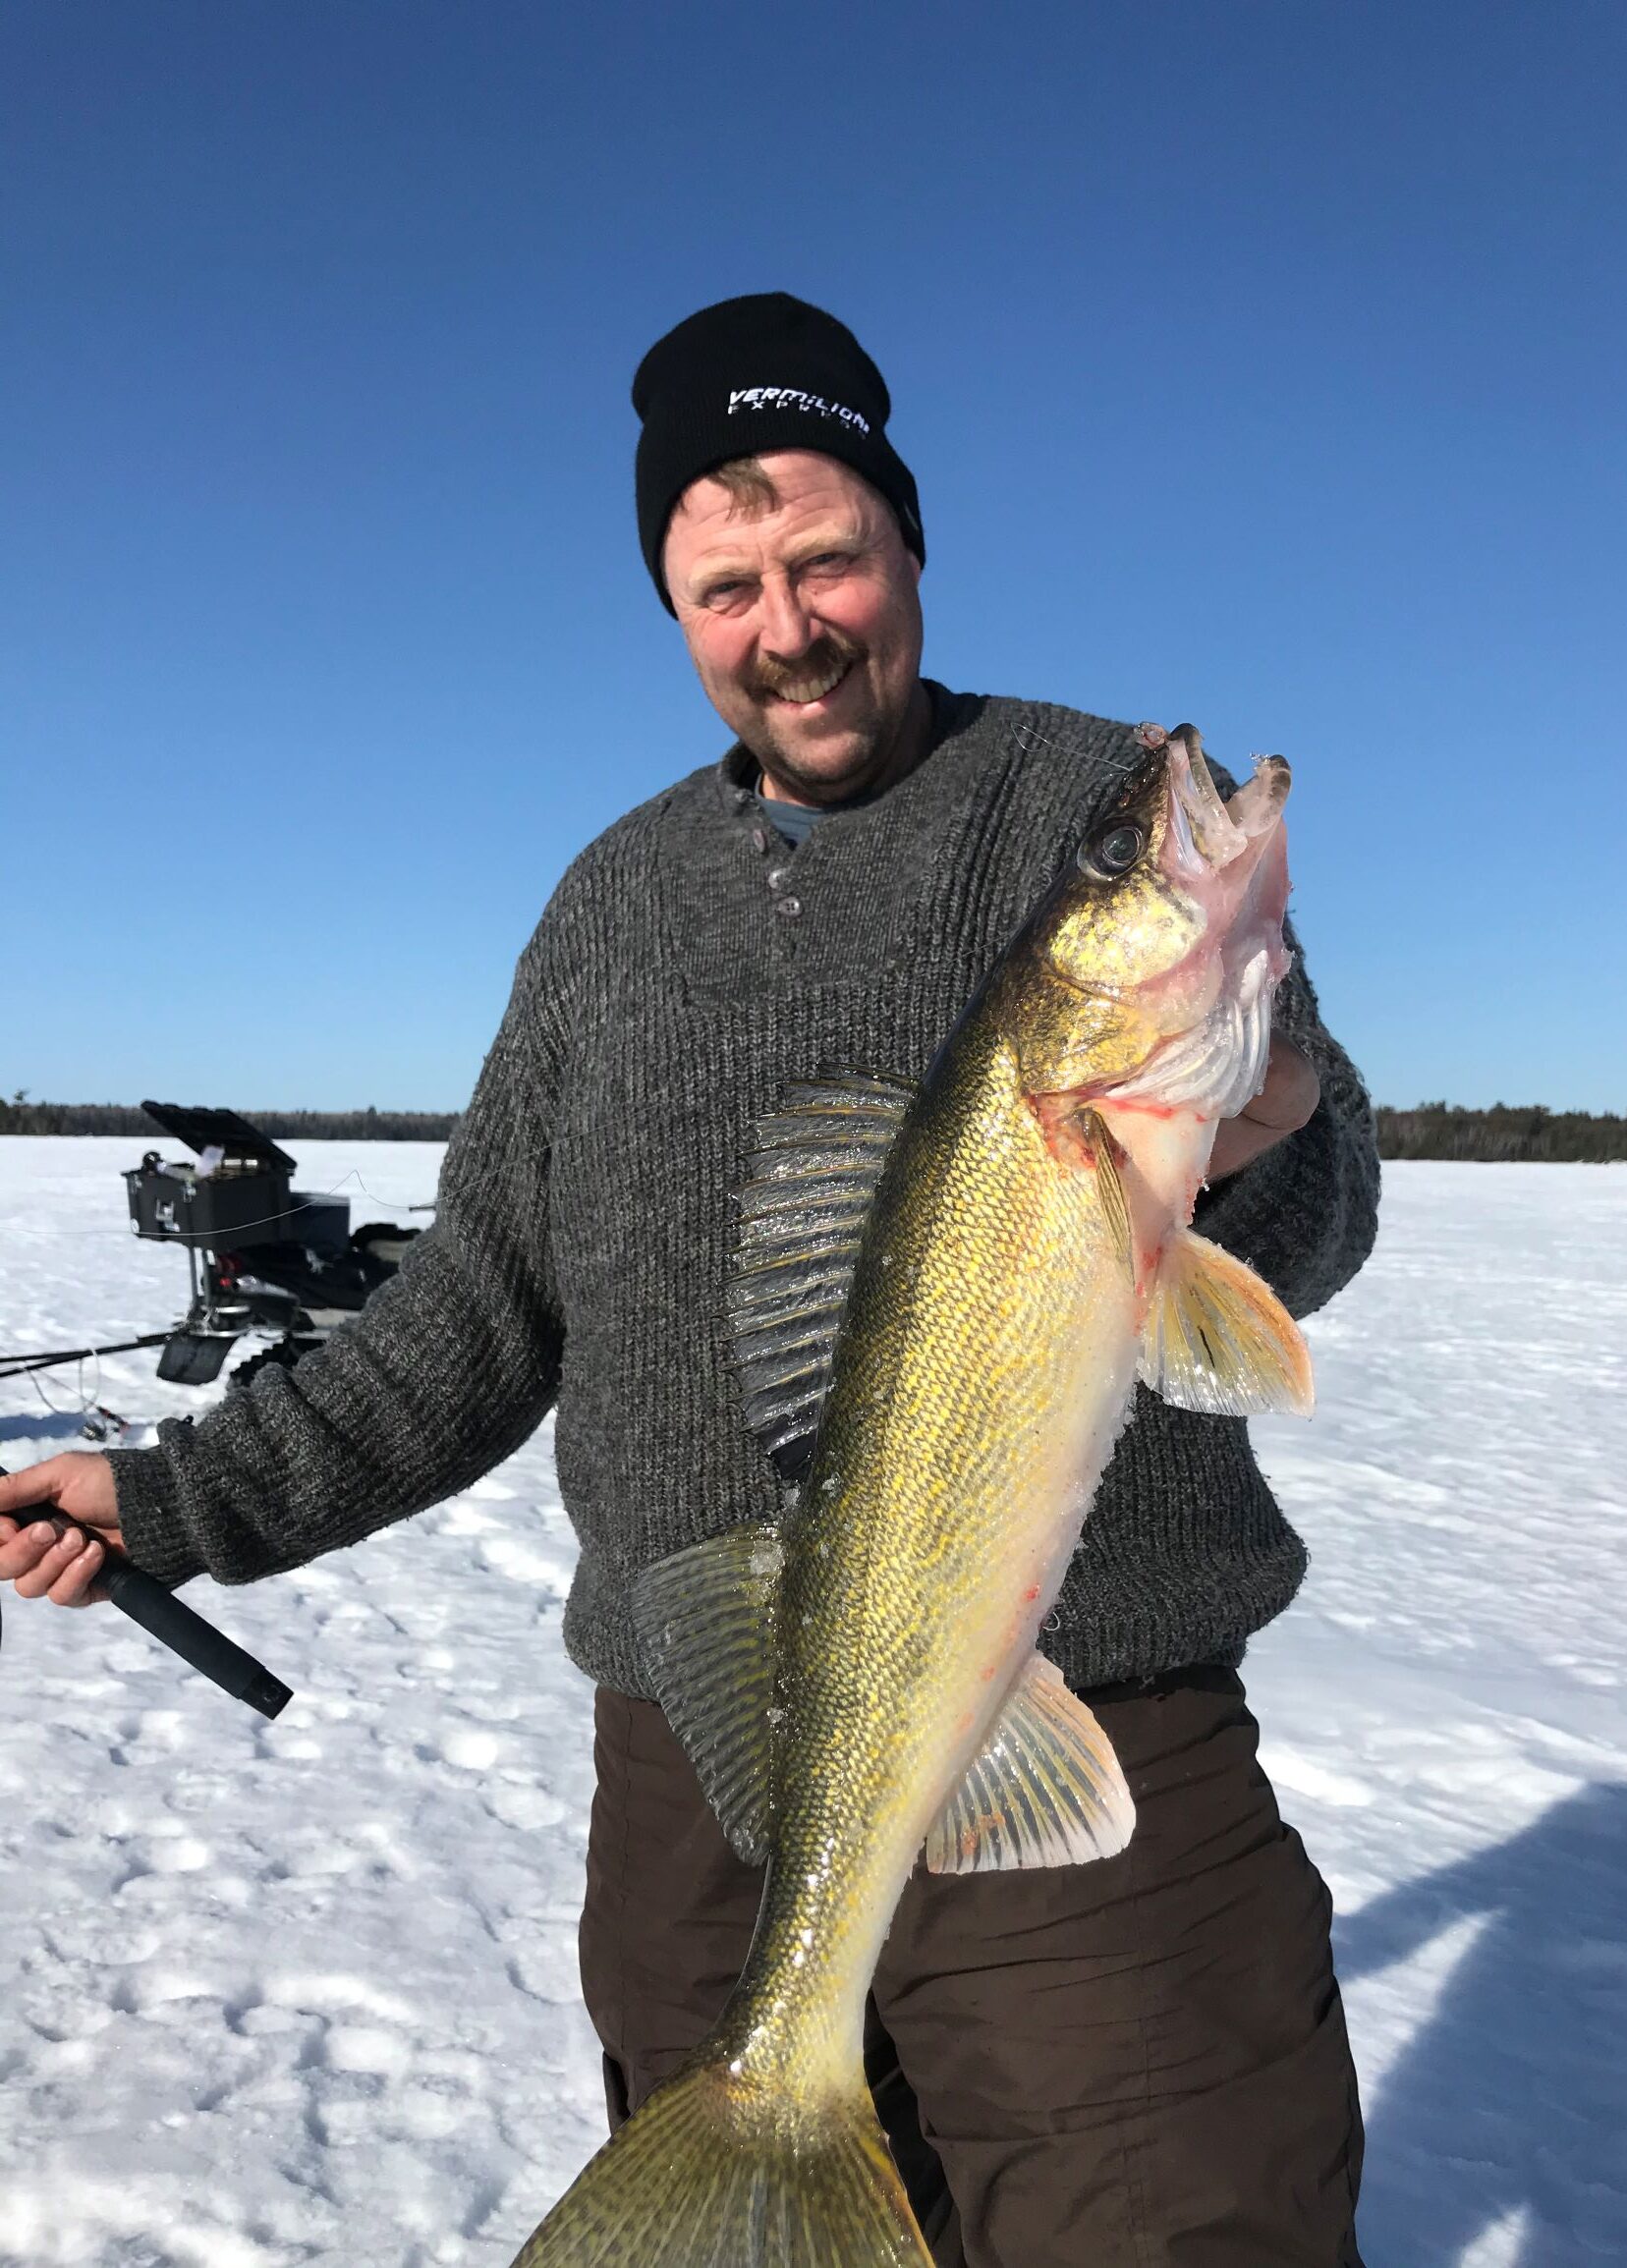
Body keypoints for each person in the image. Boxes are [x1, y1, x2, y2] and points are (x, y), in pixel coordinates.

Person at [0, 292, 1378, 2265]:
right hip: (704, 1757)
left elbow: (1308, 1235)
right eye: (724, 583)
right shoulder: (610, 907)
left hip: (1089, 1732)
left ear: (907, 546)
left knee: (1167, 2224)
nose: (788, 623)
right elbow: (472, 1313)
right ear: (671, 603)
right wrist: (173, 1495)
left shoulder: (1095, 816)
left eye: (827, 556)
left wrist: (1271, 1138)